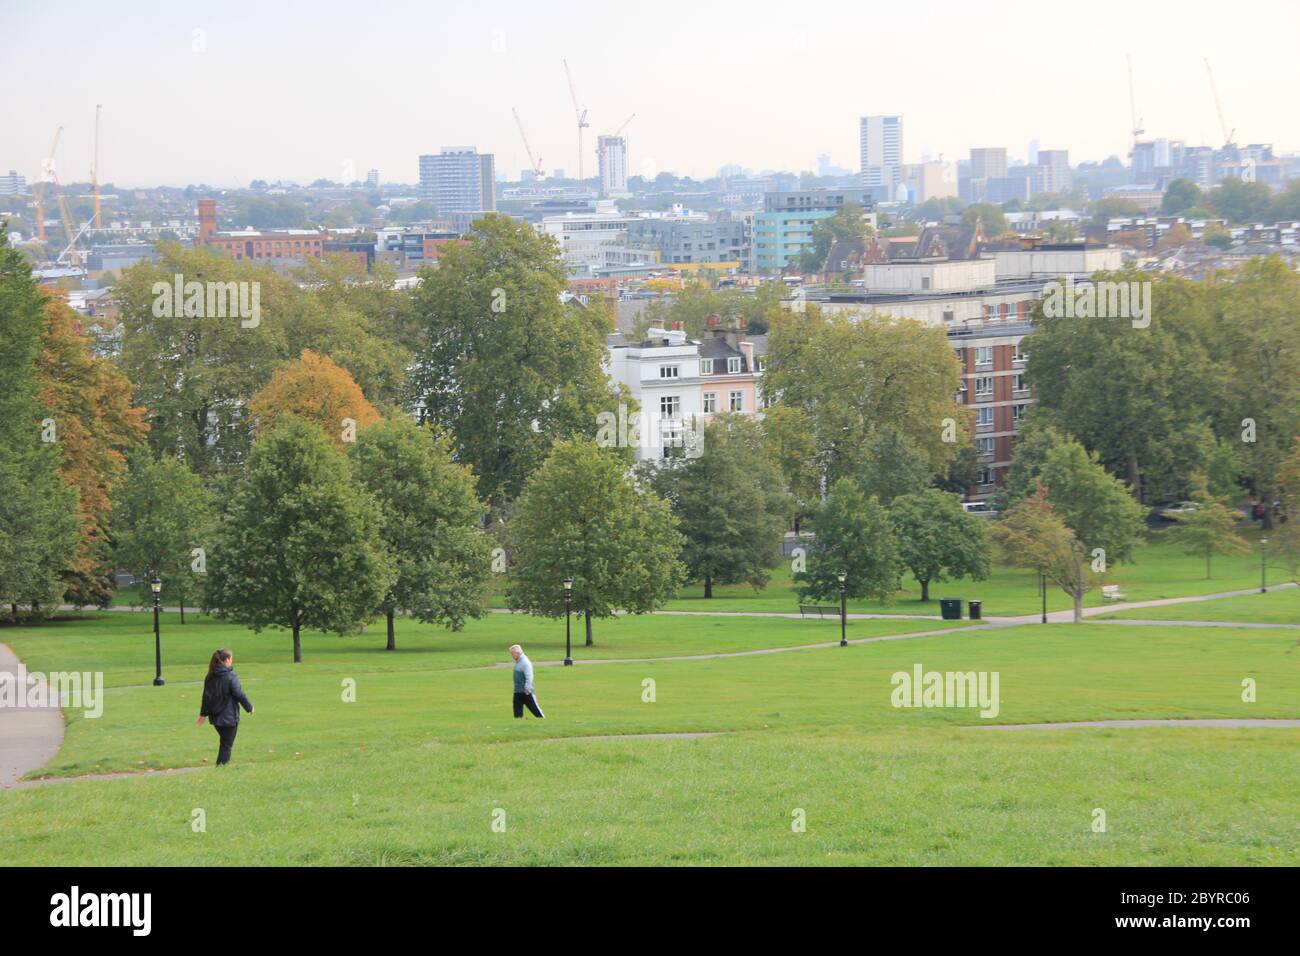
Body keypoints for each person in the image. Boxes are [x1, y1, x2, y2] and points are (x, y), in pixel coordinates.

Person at [197, 648, 253, 765]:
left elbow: (206, 697)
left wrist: (203, 714)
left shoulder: (210, 676)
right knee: (226, 745)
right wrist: (249, 707)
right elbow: (239, 694)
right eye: (231, 659)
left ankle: (222, 767)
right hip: (229, 717)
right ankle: (221, 768)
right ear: (227, 660)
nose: (232, 661)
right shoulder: (230, 676)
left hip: (215, 718)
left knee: (225, 743)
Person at [509, 644, 544, 719]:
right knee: (517, 712)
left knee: (535, 710)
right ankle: (518, 723)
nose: (511, 655)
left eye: (512, 653)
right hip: (517, 691)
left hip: (526, 692)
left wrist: (527, 688)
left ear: (517, 653)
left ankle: (543, 721)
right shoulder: (518, 661)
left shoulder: (525, 662)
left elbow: (529, 677)